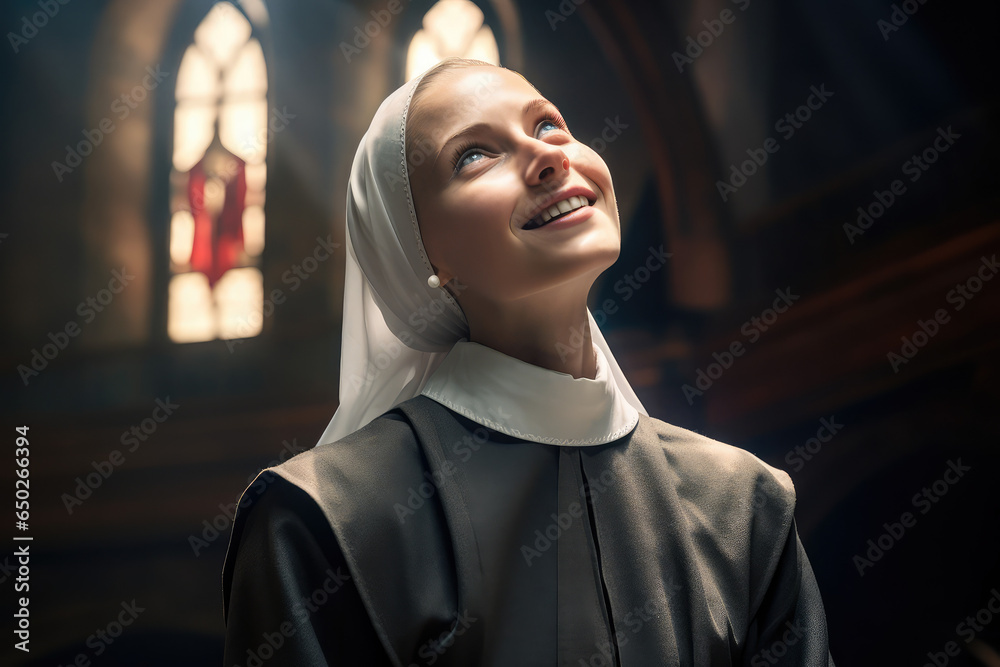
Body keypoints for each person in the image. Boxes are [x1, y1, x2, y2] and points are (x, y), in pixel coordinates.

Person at [221, 57, 835, 666]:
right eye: (474, 155)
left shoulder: (745, 504)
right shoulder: (321, 519)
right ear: (419, 254)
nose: (548, 157)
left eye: (547, 126)